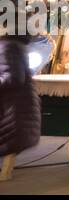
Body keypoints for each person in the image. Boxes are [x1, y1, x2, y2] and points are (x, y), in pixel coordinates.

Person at [0, 31, 40, 182]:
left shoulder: (7, 46)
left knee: (9, 138)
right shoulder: (14, 45)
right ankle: (6, 171)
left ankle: (5, 172)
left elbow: (14, 77)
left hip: (12, 105)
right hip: (16, 103)